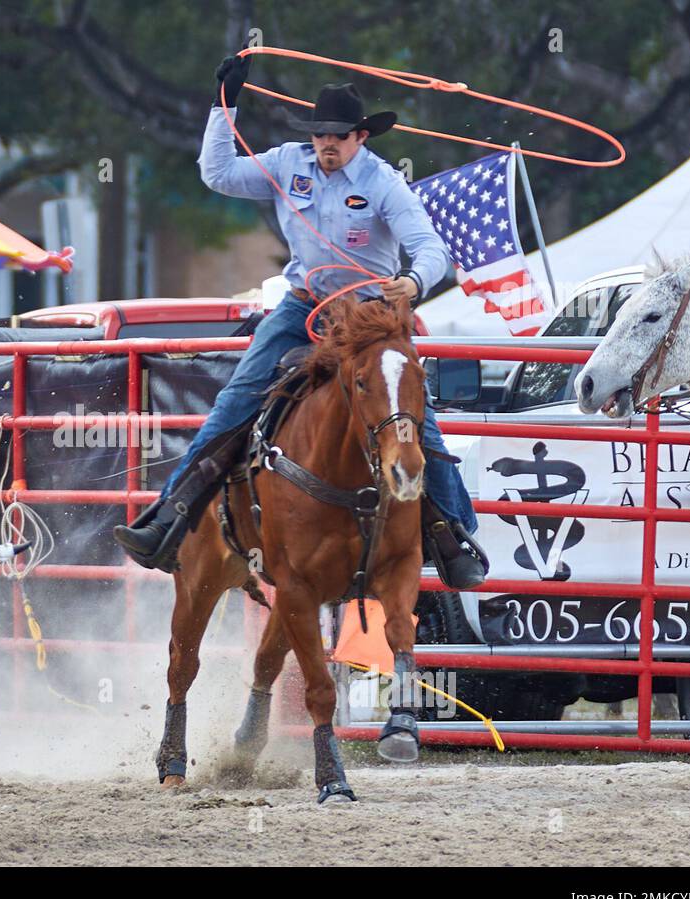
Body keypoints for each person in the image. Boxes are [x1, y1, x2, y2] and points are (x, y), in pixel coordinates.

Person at [114, 58, 487, 589]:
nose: (327, 144)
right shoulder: (287, 163)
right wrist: (225, 105)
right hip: (302, 305)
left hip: (369, 315)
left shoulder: (384, 182)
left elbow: (430, 248)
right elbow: (217, 173)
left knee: (410, 417)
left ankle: (455, 536)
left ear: (361, 136)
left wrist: (413, 281)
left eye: (338, 136)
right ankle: (168, 519)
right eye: (320, 135)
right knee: (236, 399)